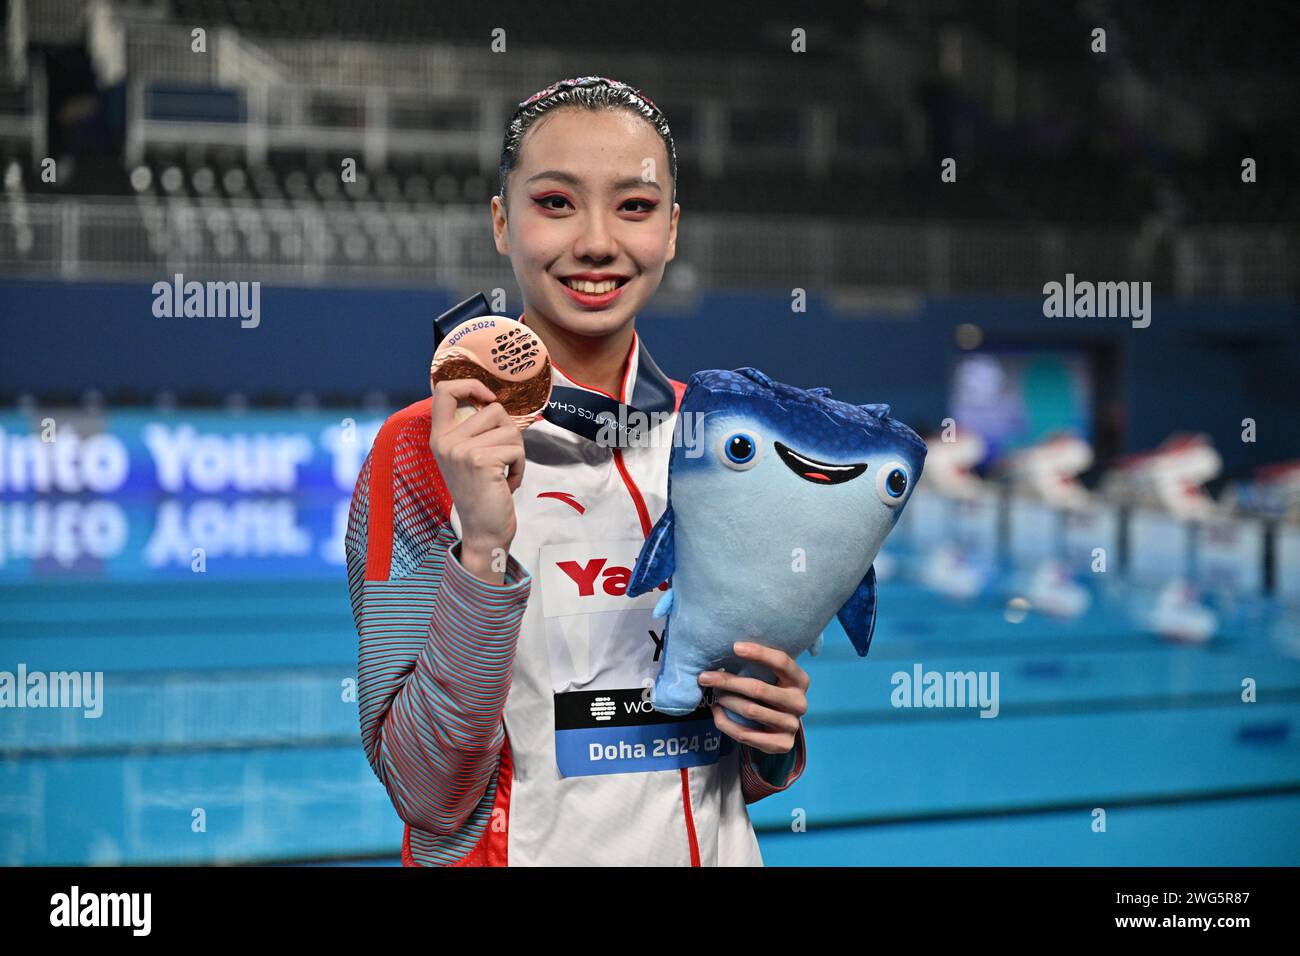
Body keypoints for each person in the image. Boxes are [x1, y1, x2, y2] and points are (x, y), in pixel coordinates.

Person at [345, 76, 810, 866]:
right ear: (502, 222)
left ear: (670, 229)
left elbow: (720, 770)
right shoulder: (422, 451)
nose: (596, 241)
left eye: (634, 205)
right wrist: (484, 552)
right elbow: (426, 790)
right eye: (555, 202)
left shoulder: (721, 446)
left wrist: (770, 735)